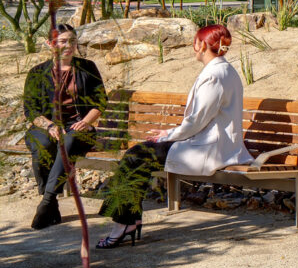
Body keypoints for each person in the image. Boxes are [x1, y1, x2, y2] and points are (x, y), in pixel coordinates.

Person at [96, 24, 251, 248]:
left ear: (203, 45)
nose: (193, 46)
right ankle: (128, 220)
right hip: (209, 143)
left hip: (207, 148)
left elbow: (197, 120)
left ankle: (123, 224)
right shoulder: (225, 70)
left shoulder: (215, 76)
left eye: (195, 42)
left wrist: (167, 134)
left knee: (135, 156)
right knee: (137, 157)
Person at [23, 24, 107, 230]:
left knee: (68, 139)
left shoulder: (88, 67)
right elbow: (31, 110)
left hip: (79, 127)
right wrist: (50, 125)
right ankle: (51, 204)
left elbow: (100, 102)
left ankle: (47, 200)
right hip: (47, 126)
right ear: (50, 44)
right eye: (62, 41)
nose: (68, 46)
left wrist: (86, 122)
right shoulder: (36, 73)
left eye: (72, 41)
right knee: (41, 143)